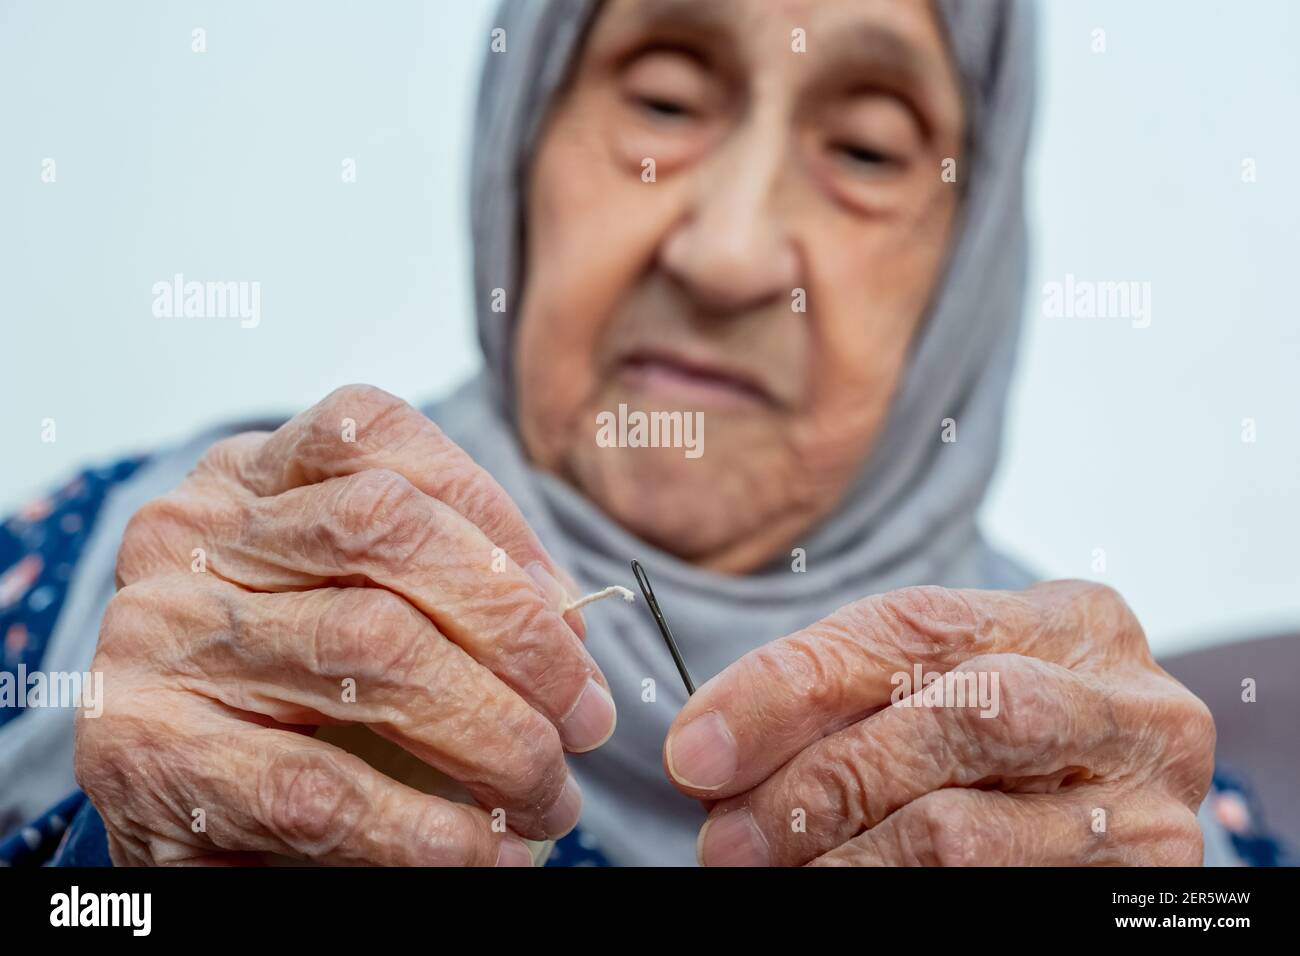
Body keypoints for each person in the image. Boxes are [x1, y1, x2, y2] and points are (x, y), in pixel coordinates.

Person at [0, 0, 1250, 867]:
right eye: (661, 98)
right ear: (519, 143)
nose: (726, 251)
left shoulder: (1106, 770)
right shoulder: (110, 574)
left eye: (867, 148)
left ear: (968, 263)